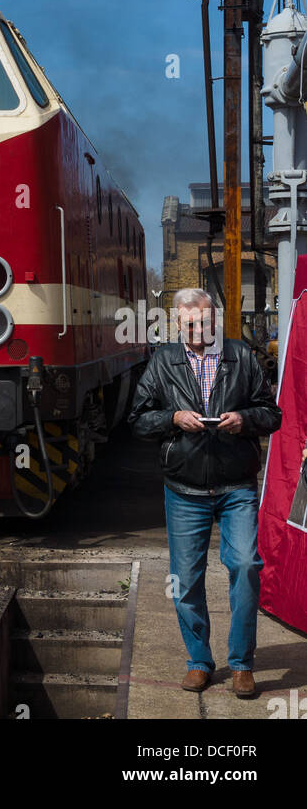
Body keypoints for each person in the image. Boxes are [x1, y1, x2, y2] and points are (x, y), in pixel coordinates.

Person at [127, 287, 282, 697]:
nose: (198, 329)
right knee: (185, 580)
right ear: (178, 323)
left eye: (206, 321)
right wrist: (173, 417)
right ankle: (198, 660)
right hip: (185, 488)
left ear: (216, 321)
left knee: (246, 565)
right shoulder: (163, 361)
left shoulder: (241, 356)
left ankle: (241, 664)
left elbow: (273, 414)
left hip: (236, 486)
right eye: (190, 322)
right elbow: (138, 420)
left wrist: (243, 419)